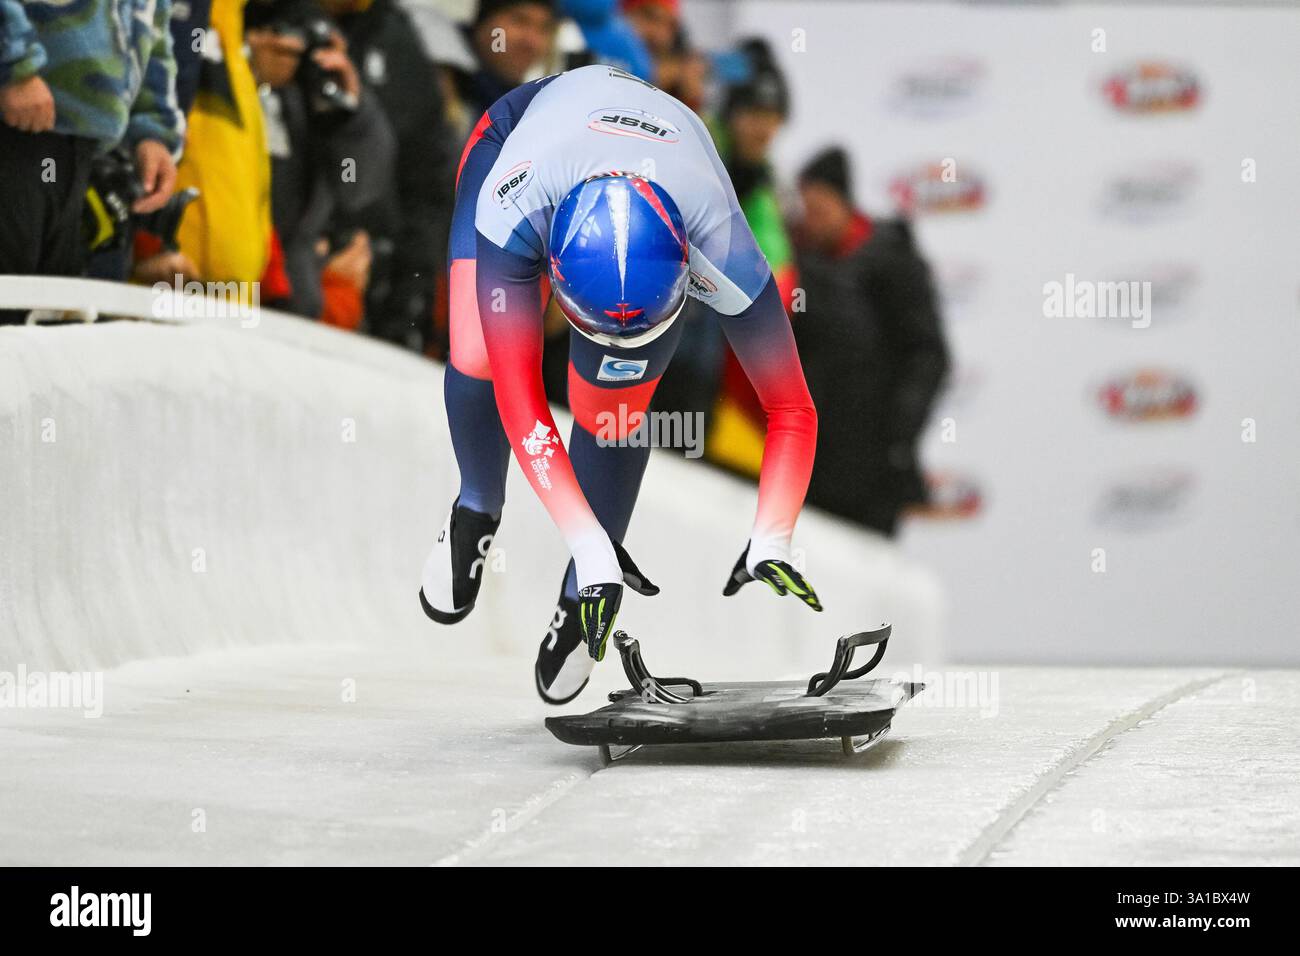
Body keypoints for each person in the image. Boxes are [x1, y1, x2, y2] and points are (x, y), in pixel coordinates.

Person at [421, 64, 822, 704]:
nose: (613, 343)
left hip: (654, 182)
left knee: (610, 413)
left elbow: (792, 408)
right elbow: (521, 407)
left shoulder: (723, 244)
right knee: (478, 353)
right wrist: (590, 541)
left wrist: (772, 534)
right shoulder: (514, 211)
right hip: (515, 138)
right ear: (548, 268)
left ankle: (584, 593)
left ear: (691, 273)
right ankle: (476, 507)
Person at [792, 147, 950, 537]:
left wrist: (898, 434)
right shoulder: (801, 262)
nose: (810, 221)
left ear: (843, 203)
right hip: (811, 461)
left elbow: (929, 354)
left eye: (819, 208)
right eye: (805, 209)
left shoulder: (893, 262)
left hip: (870, 468)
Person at [0, 0, 184, 315]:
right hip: (13, 133)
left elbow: (153, 21)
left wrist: (152, 130)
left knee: (40, 330)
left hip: (81, 152)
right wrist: (12, 65)